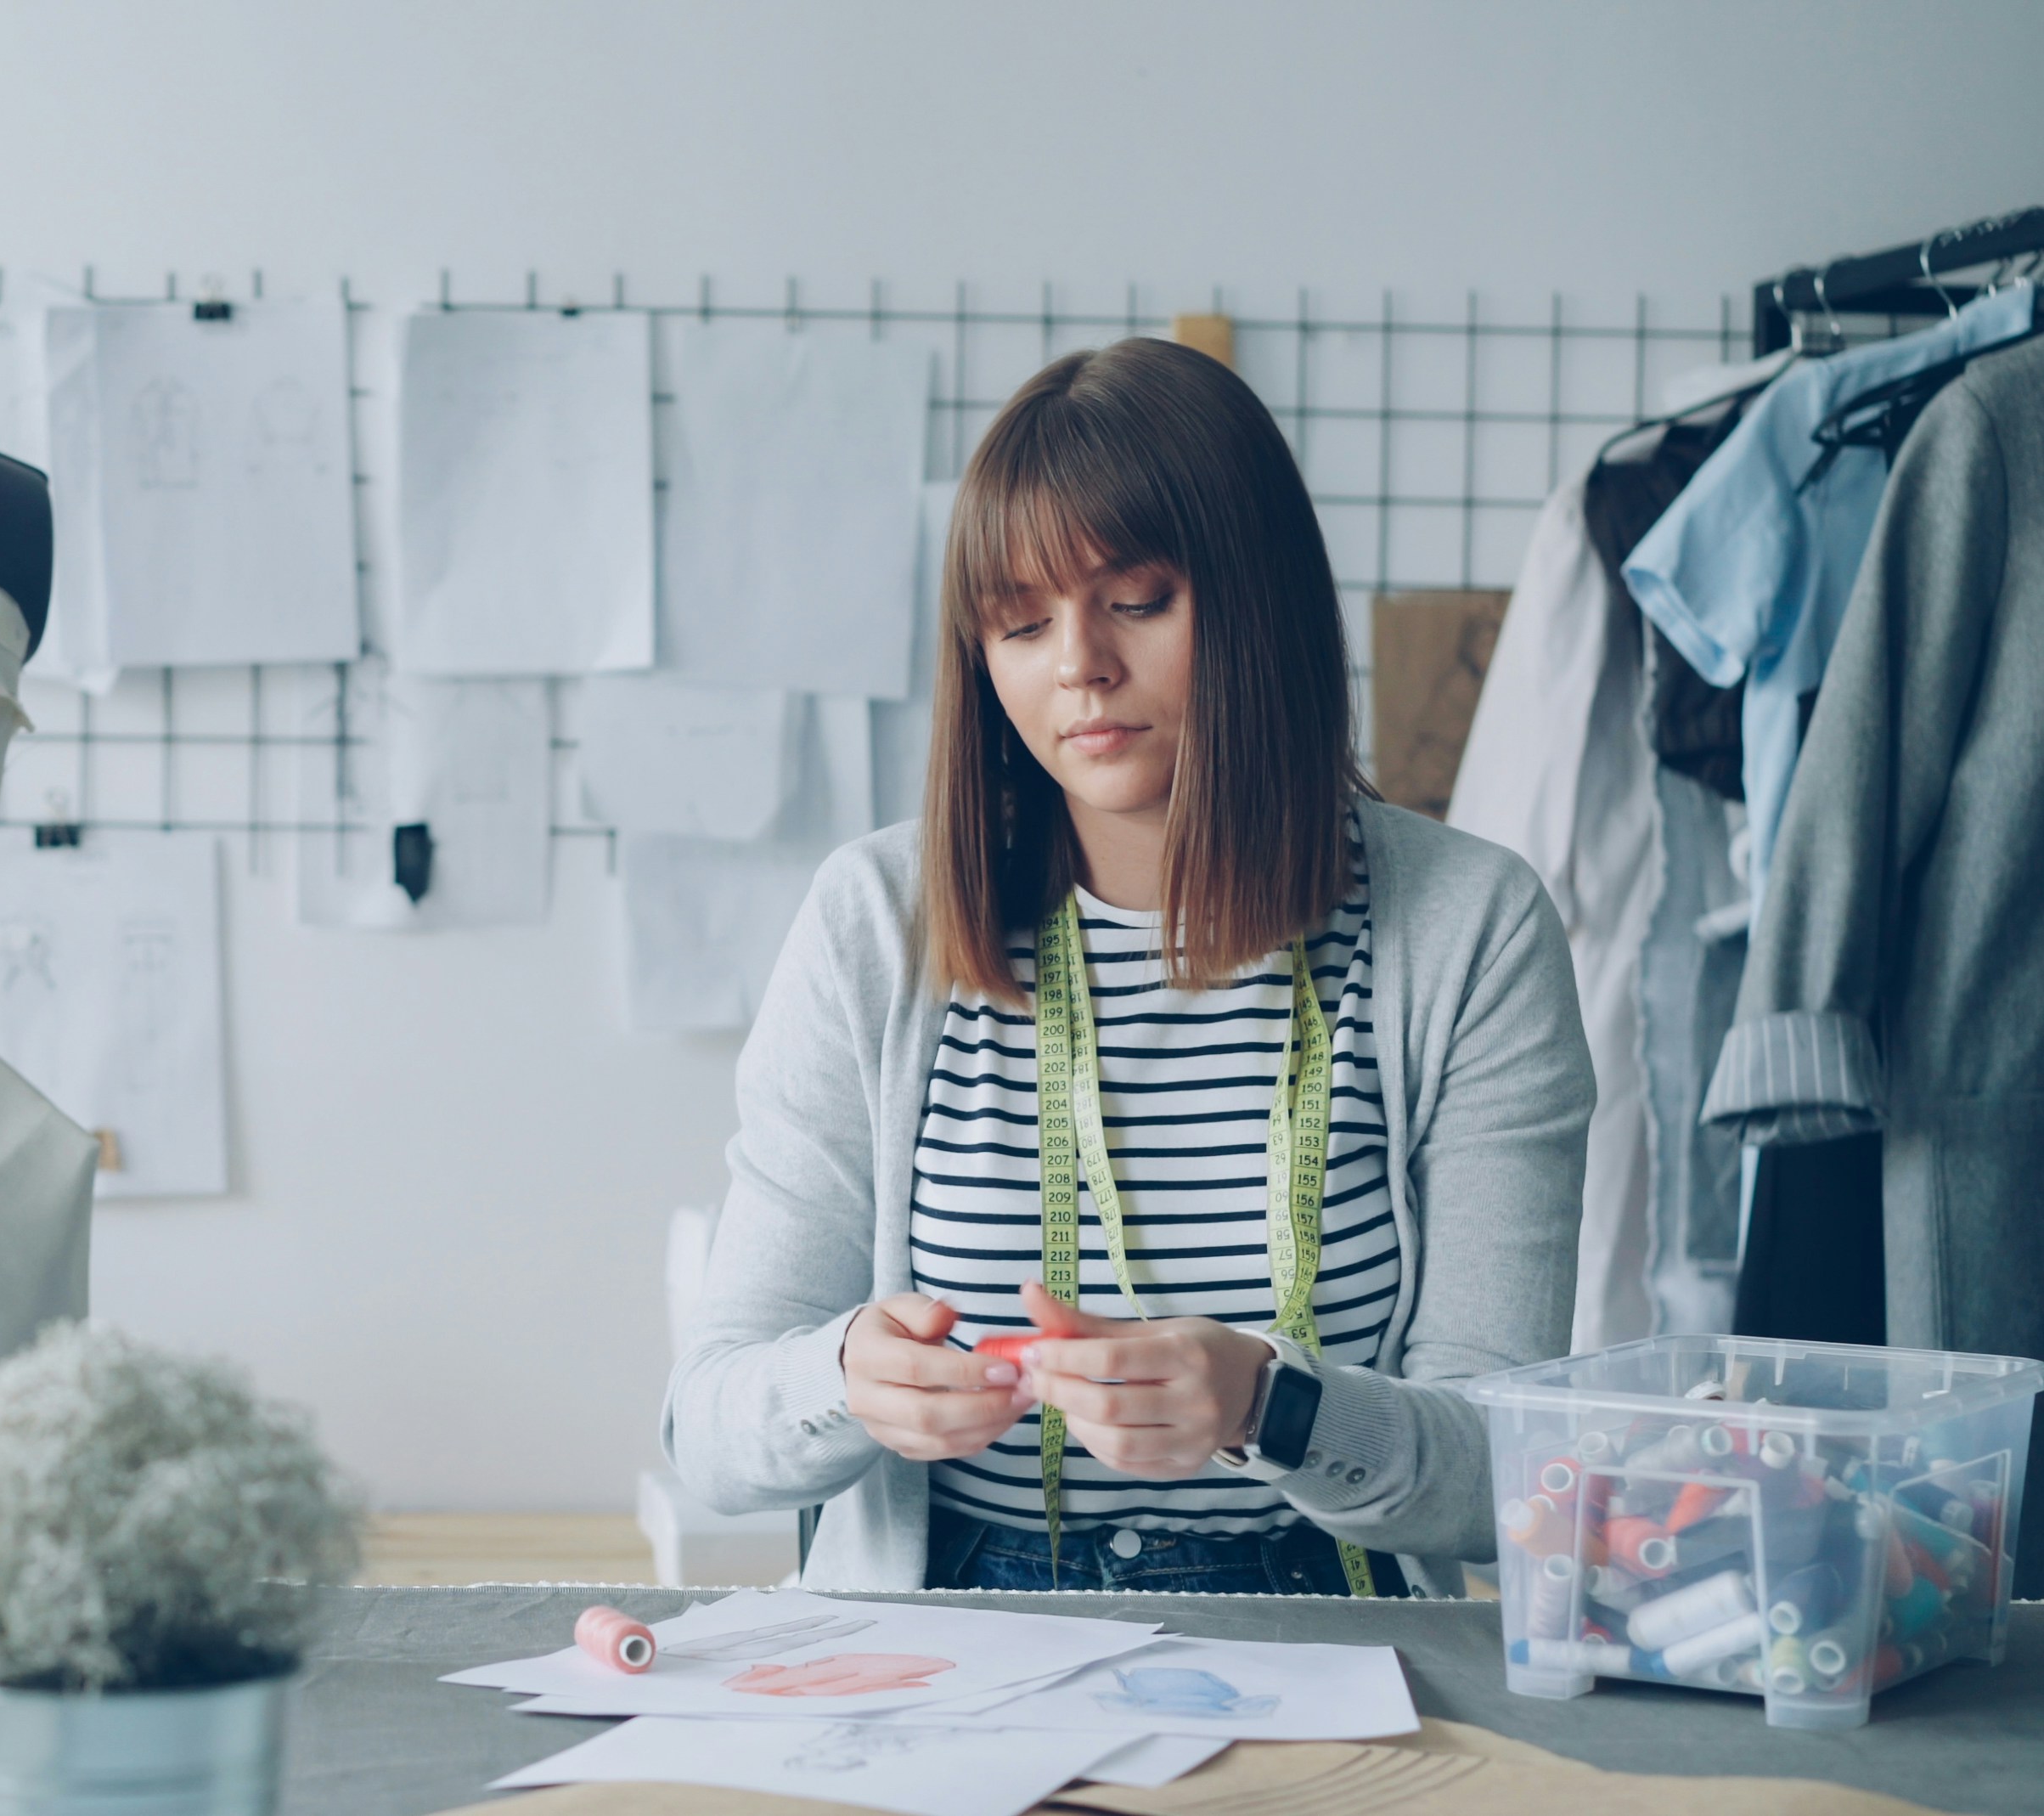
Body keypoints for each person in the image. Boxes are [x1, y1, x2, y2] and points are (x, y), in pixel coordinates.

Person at [662, 337, 1591, 1597]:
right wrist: (844, 1380)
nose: (1077, 665)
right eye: (1021, 622)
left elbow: (1503, 1479)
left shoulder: (1472, 931)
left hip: (1336, 1627)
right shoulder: (876, 924)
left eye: (1138, 600)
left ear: (1258, 600)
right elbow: (705, 1431)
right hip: (955, 1634)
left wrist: (1274, 1405)